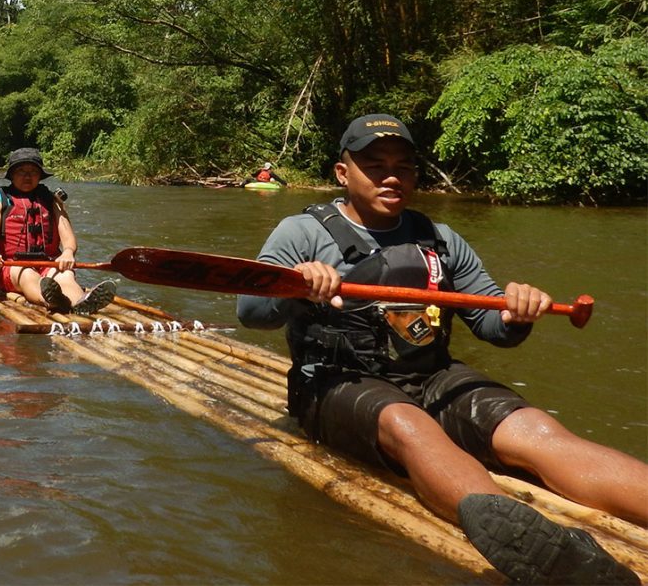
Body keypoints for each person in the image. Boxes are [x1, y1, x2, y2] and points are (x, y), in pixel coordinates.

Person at [237, 114, 646, 584]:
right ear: (342, 173)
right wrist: (296, 286)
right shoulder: (301, 233)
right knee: (407, 424)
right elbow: (251, 311)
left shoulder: (442, 238)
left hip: (431, 373)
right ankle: (528, 544)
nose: (392, 176)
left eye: (404, 166)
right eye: (374, 165)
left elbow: (492, 325)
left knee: (535, 430)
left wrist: (516, 313)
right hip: (334, 381)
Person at [0, 148, 116, 315]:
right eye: (21, 171)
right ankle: (51, 300)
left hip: (48, 263)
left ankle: (81, 302)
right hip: (12, 266)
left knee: (65, 275)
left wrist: (67, 252)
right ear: (12, 175)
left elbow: (67, 234)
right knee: (27, 274)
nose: (27, 176)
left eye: (33, 172)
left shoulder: (51, 200)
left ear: (40, 175)